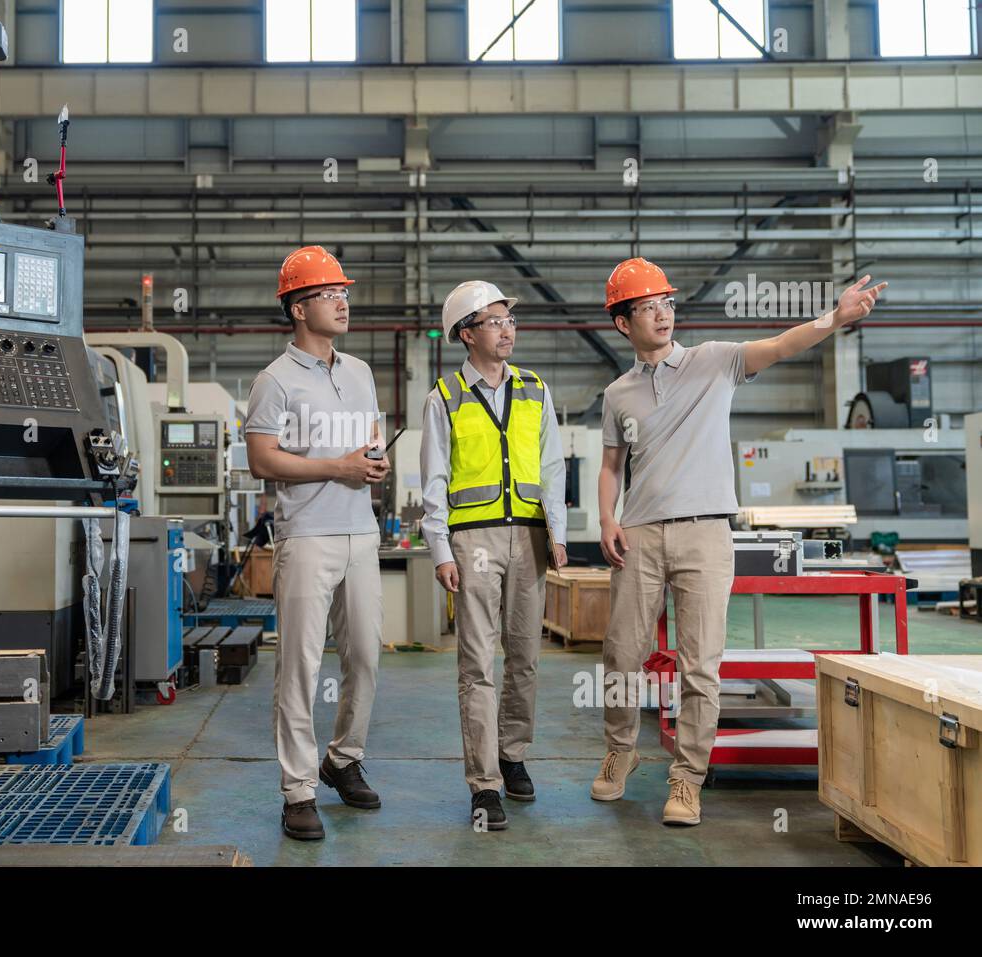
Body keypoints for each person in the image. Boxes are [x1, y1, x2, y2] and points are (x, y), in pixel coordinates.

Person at [591, 257, 886, 825]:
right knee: (622, 655)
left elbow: (780, 345)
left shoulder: (714, 362)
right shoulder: (618, 394)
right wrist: (607, 517)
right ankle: (619, 751)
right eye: (648, 306)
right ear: (623, 323)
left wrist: (837, 318)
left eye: (667, 303)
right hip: (641, 537)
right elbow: (609, 467)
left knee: (700, 665)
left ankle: (686, 780)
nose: (662, 314)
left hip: (706, 535)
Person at [244, 245, 390, 841]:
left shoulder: (358, 372)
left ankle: (343, 759)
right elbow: (261, 459)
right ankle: (298, 789)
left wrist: (371, 464)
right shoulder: (273, 380)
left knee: (365, 657)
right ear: (300, 308)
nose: (343, 302)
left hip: (362, 533)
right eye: (331, 294)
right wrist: (338, 468)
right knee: (300, 666)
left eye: (345, 293)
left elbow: (371, 438)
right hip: (306, 536)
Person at [419, 280, 568, 831]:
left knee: (525, 657)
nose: (507, 329)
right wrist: (440, 550)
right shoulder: (445, 396)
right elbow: (433, 480)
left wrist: (557, 530)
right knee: (477, 664)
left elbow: (552, 466)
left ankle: (513, 753)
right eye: (494, 321)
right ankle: (484, 785)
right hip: (474, 541)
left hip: (529, 538)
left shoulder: (535, 389)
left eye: (509, 320)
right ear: (466, 334)